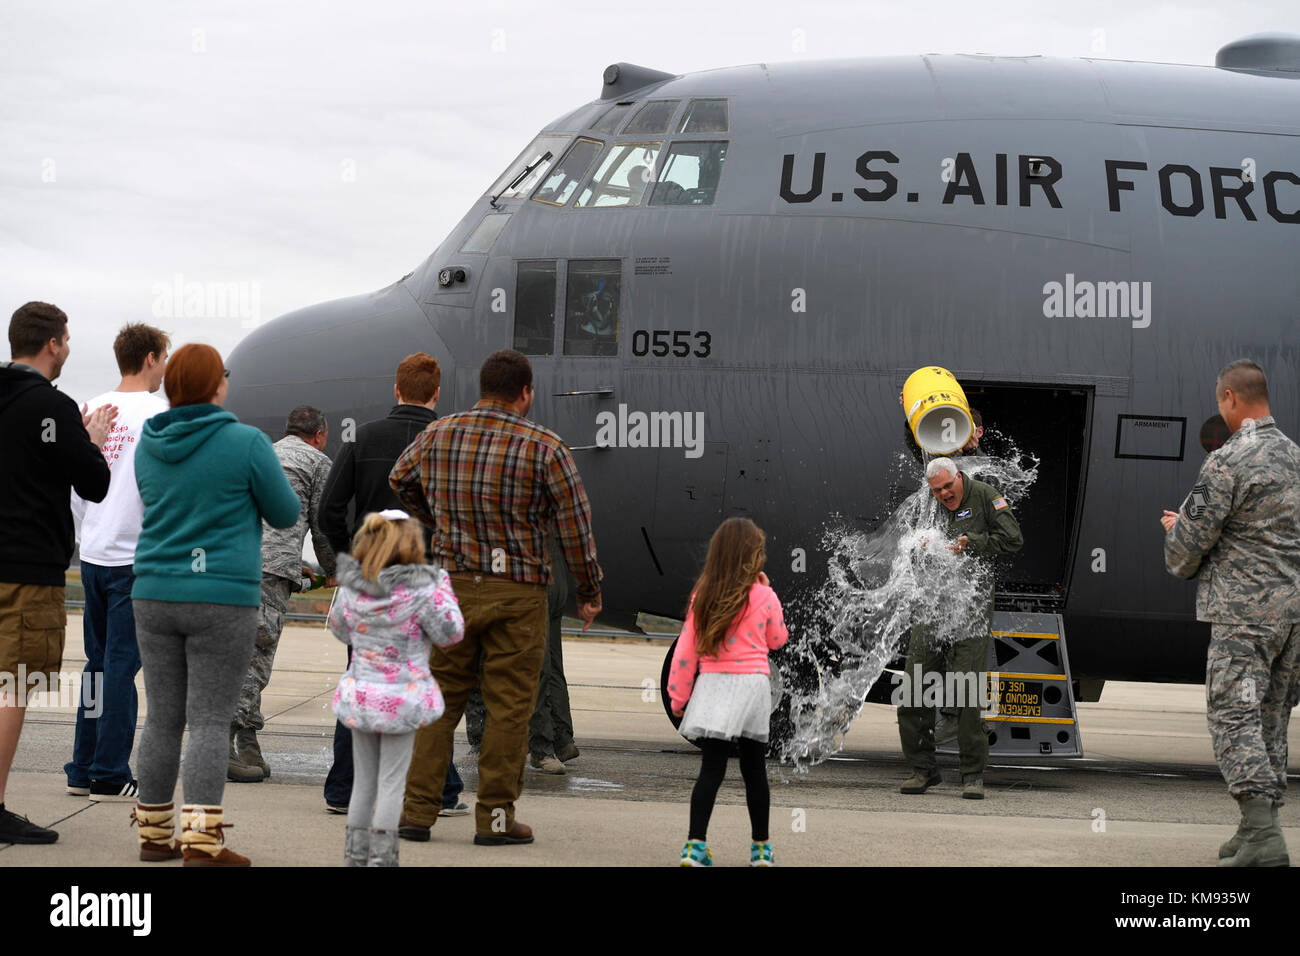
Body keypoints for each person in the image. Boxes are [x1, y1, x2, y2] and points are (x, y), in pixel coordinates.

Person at [390, 349, 602, 846]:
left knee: (440, 702)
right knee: (510, 708)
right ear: (525, 392)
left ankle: (417, 813)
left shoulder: (437, 434)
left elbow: (399, 478)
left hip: (453, 585)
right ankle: (497, 821)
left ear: (481, 387)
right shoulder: (547, 446)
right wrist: (589, 590)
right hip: (519, 591)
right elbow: (576, 527)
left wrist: (438, 521)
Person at [130, 344, 300, 865]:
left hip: (153, 590)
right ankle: (202, 843)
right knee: (207, 721)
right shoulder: (245, 441)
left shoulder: (147, 443)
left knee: (161, 718)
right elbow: (286, 511)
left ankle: (154, 836)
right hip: (221, 595)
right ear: (215, 385)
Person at [1163, 359, 1300, 867]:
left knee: (1233, 717)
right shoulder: (1295, 458)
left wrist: (1176, 533)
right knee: (1270, 721)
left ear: (1228, 398)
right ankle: (1253, 829)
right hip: (1292, 620)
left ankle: (1264, 837)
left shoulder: (1228, 460)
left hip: (1244, 618)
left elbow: (1184, 553)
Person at [317, 352, 467, 815]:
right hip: (426, 577)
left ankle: (344, 788)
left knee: (363, 672)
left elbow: (328, 511)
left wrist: (351, 560)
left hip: (370, 576)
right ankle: (437, 790)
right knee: (422, 678)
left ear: (396, 389)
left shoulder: (364, 437)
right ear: (437, 393)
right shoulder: (450, 439)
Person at [0, 302, 116, 844]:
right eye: (66, 341)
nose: (67, 349)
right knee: (11, 687)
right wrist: (90, 439)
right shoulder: (52, 407)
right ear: (53, 343)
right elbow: (94, 484)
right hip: (25, 569)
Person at [65, 323, 170, 803]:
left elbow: (76, 488)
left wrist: (91, 532)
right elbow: (161, 491)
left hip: (94, 552)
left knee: (97, 665)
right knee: (123, 666)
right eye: (163, 358)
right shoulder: (159, 415)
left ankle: (82, 765)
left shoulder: (89, 408)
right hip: (136, 556)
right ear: (151, 357)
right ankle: (110, 771)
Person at [328, 510, 464, 866]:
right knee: (392, 784)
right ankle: (383, 861)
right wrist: (444, 586)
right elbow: (452, 633)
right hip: (402, 699)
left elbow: (339, 627)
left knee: (364, 783)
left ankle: (354, 859)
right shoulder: (425, 589)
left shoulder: (352, 586)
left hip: (361, 696)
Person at [898, 457, 1023, 800]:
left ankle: (972, 775)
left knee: (966, 694)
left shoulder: (985, 496)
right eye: (936, 490)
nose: (943, 495)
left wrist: (974, 542)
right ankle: (923, 770)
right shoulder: (929, 504)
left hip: (969, 609)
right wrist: (919, 548)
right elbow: (908, 545)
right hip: (932, 608)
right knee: (913, 689)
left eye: (947, 487)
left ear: (958, 479)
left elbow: (1013, 539)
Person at [668, 517, 788, 867]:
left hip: (714, 686)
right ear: (754, 556)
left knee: (711, 770)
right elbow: (778, 639)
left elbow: (685, 651)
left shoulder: (702, 597)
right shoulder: (763, 595)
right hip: (752, 687)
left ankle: (694, 846)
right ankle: (761, 851)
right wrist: (768, 592)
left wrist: (678, 698)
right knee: (754, 771)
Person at [228, 405, 337, 782]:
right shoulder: (318, 461)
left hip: (236, 561)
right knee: (256, 654)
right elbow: (322, 525)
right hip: (270, 570)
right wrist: (333, 570)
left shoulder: (263, 451)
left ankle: (246, 740)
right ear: (320, 433)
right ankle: (227, 741)